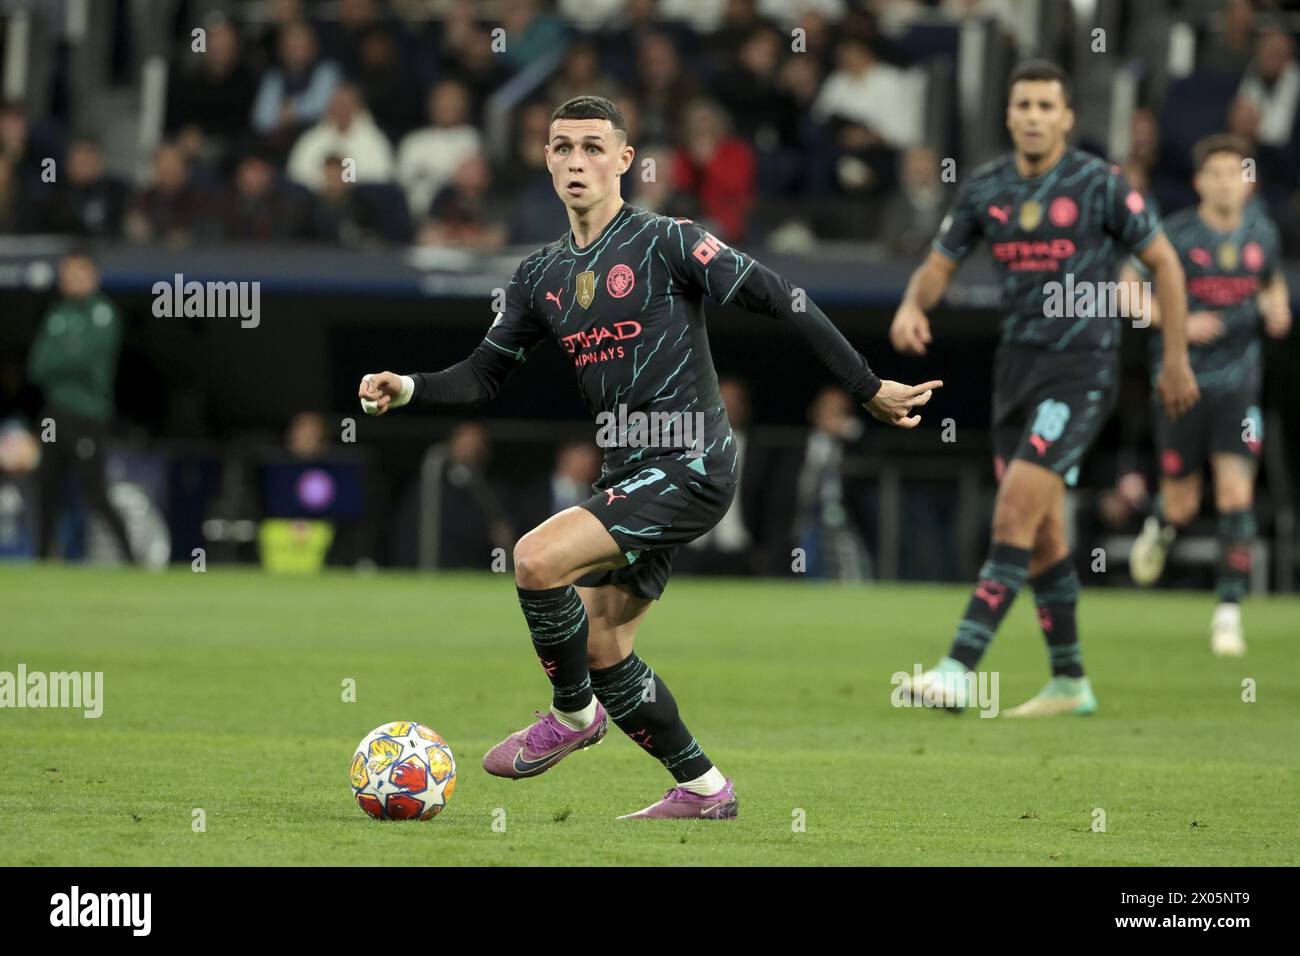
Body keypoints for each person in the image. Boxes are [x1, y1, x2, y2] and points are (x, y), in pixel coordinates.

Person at [359, 95, 940, 819]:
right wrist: (407, 386)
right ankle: (704, 790)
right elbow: (482, 374)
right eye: (563, 147)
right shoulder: (538, 275)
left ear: (626, 160)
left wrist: (867, 385)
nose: (578, 161)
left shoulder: (669, 241)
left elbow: (781, 296)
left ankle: (571, 717)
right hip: (629, 474)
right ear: (545, 159)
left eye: (594, 148)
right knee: (603, 647)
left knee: (536, 560)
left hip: (691, 461)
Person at [890, 61, 1199, 717]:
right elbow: (937, 267)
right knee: (1044, 533)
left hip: (1081, 369)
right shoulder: (984, 188)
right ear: (1009, 115)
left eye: (1045, 106)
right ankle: (1069, 681)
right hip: (1015, 373)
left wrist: (1173, 357)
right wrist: (914, 306)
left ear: (1066, 118)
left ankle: (957, 669)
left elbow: (1165, 262)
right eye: (1022, 104)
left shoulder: (1099, 184)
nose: (1032, 115)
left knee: (1012, 514)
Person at [1125, 133, 1291, 656]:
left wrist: (1277, 306)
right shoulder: (1174, 233)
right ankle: (1160, 526)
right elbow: (1126, 290)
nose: (1226, 182)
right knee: (1182, 501)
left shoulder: (1263, 233)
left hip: (1240, 385)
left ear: (1248, 181)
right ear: (1199, 182)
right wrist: (1175, 319)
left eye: (1235, 172)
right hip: (1181, 384)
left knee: (1236, 496)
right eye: (1215, 173)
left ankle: (1228, 613)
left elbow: (1271, 282)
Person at [27, 251, 135, 563]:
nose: (72, 281)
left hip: (88, 415)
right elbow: (37, 366)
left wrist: (62, 356)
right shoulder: (56, 314)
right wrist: (66, 356)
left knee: (94, 490)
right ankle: (43, 558)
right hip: (53, 416)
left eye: (79, 273)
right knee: (45, 485)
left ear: (93, 277)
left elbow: (87, 359)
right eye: (67, 274)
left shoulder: (103, 313)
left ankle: (131, 558)